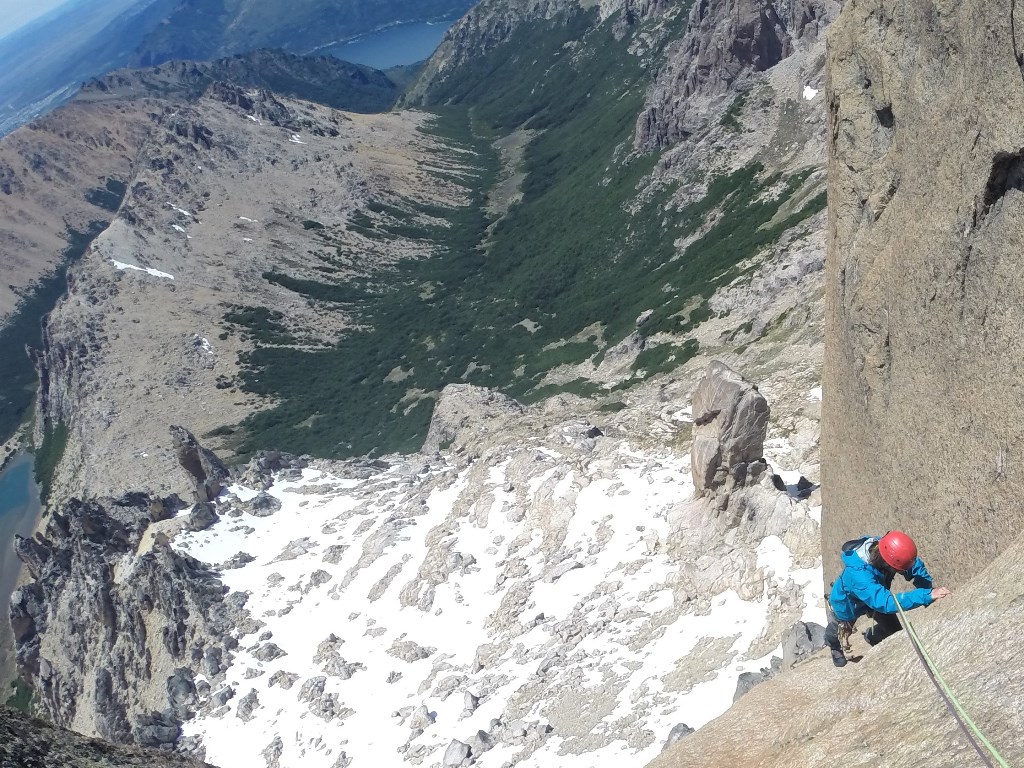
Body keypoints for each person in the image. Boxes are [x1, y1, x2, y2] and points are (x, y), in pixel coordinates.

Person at [824, 530, 951, 667]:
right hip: (848, 602)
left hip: (877, 593)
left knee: (894, 632)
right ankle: (834, 646)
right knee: (839, 626)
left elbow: (914, 566)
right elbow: (884, 602)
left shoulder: (888, 550)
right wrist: (926, 595)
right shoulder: (858, 573)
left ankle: (872, 637)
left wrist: (927, 589)